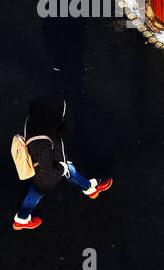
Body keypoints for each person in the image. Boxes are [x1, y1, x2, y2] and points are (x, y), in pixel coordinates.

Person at [13, 96, 112, 231]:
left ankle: (89, 188)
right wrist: (62, 166)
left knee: (41, 185)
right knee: (41, 187)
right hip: (45, 166)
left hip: (37, 158)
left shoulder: (32, 120)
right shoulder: (53, 127)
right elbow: (59, 156)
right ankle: (22, 218)